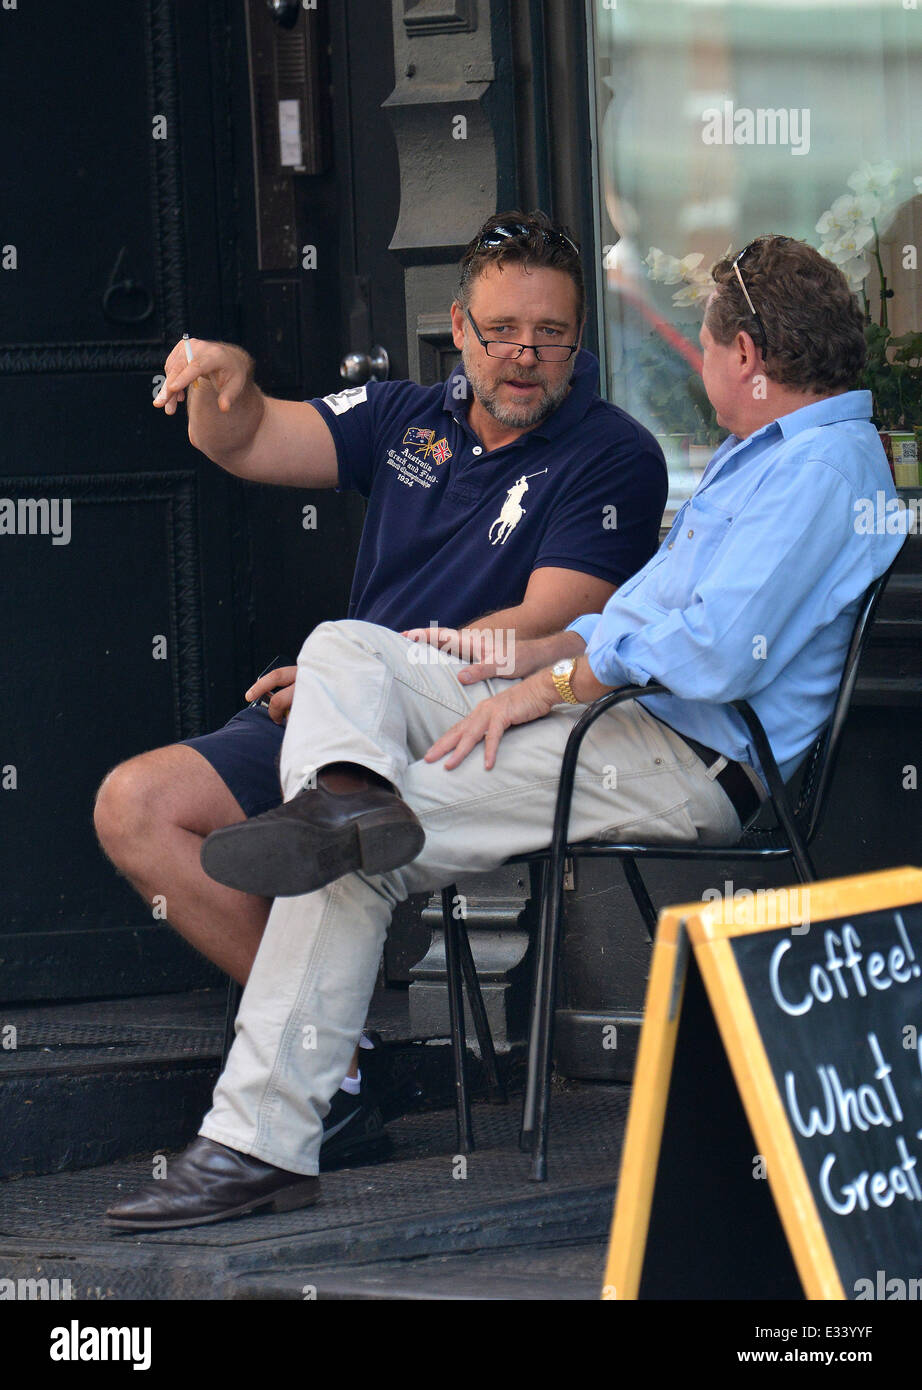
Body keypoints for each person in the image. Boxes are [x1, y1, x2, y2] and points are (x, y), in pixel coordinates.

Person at [105, 232, 905, 1231]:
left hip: (678, 755)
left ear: (745, 356)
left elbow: (711, 656)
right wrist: (528, 667)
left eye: (702, 347)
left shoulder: (818, 473)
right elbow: (641, 624)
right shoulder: (774, 459)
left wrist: (553, 679)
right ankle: (341, 788)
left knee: (356, 861)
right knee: (344, 648)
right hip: (615, 714)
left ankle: (257, 1144)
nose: (698, 367)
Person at [93, 211, 667, 1167]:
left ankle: (300, 1074)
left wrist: (353, 665)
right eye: (500, 332)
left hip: (463, 730)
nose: (524, 356)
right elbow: (249, 441)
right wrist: (223, 379)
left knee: (330, 771)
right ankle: (345, 1060)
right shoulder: (407, 415)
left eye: (551, 334)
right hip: (339, 715)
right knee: (134, 805)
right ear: (458, 326)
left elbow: (539, 628)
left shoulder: (614, 455)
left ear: (579, 339)